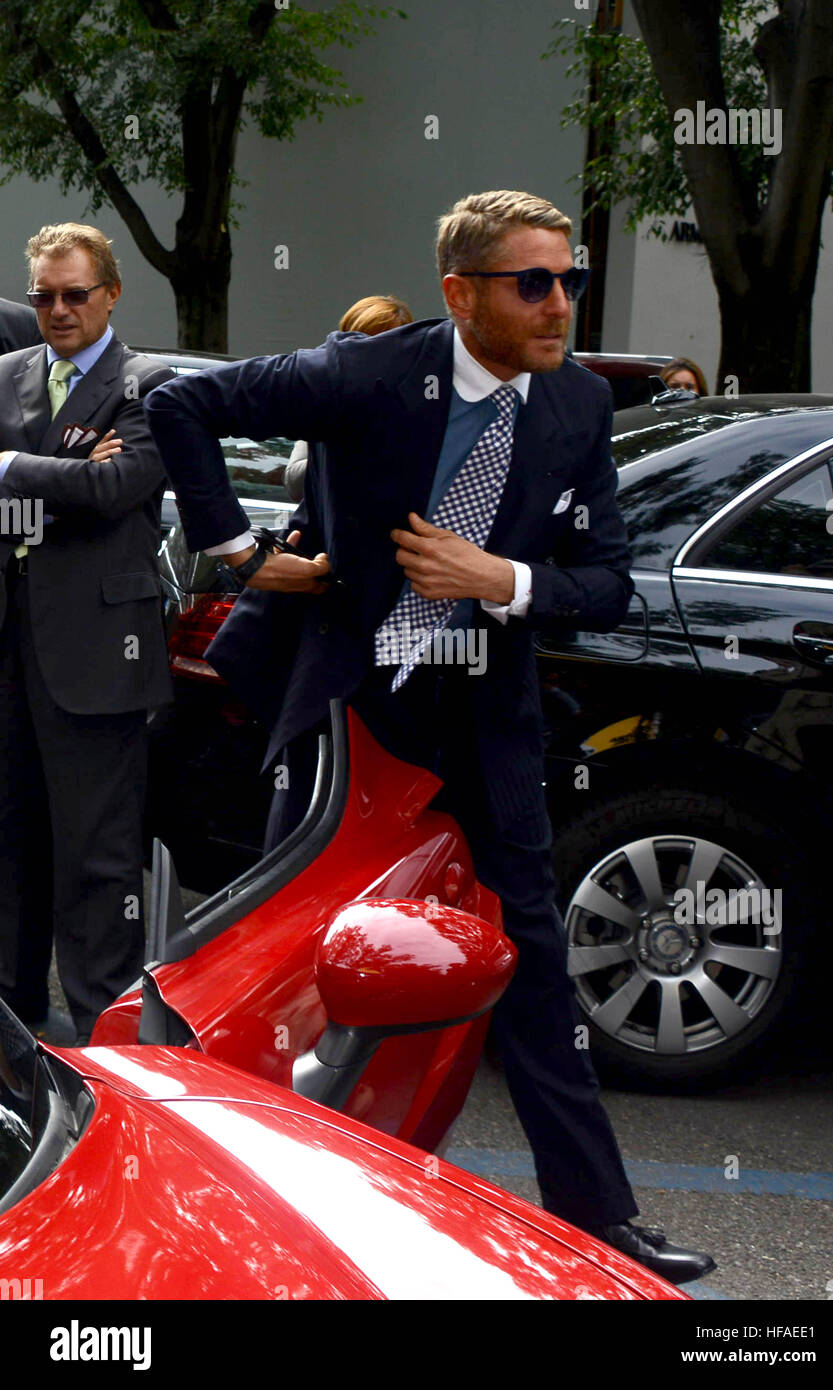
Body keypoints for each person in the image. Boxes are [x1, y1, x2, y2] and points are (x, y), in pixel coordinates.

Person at [144, 189, 714, 1284]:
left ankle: (599, 1217)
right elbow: (182, 403)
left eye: (571, 280)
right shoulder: (364, 374)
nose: (559, 304)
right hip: (354, 711)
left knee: (535, 964)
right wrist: (236, 548)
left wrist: (498, 579)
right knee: (289, 952)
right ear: (461, 292)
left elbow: (606, 588)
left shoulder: (576, 405)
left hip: (483, 719)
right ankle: (237, 1198)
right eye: (532, 282)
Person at [0, 222, 173, 1045]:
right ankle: (13, 1017)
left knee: (98, 857)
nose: (57, 309)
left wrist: (8, 469)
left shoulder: (150, 382)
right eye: (43, 295)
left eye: (74, 294)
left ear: (110, 293)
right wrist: (73, 477)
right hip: (10, 644)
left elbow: (120, 487)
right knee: (8, 838)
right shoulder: (7, 375)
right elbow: (87, 486)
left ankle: (106, 1032)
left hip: (100, 653)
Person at [283, 295, 412, 502]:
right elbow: (294, 484)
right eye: (362, 343)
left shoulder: (419, 402)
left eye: (385, 346)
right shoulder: (324, 393)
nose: (370, 356)